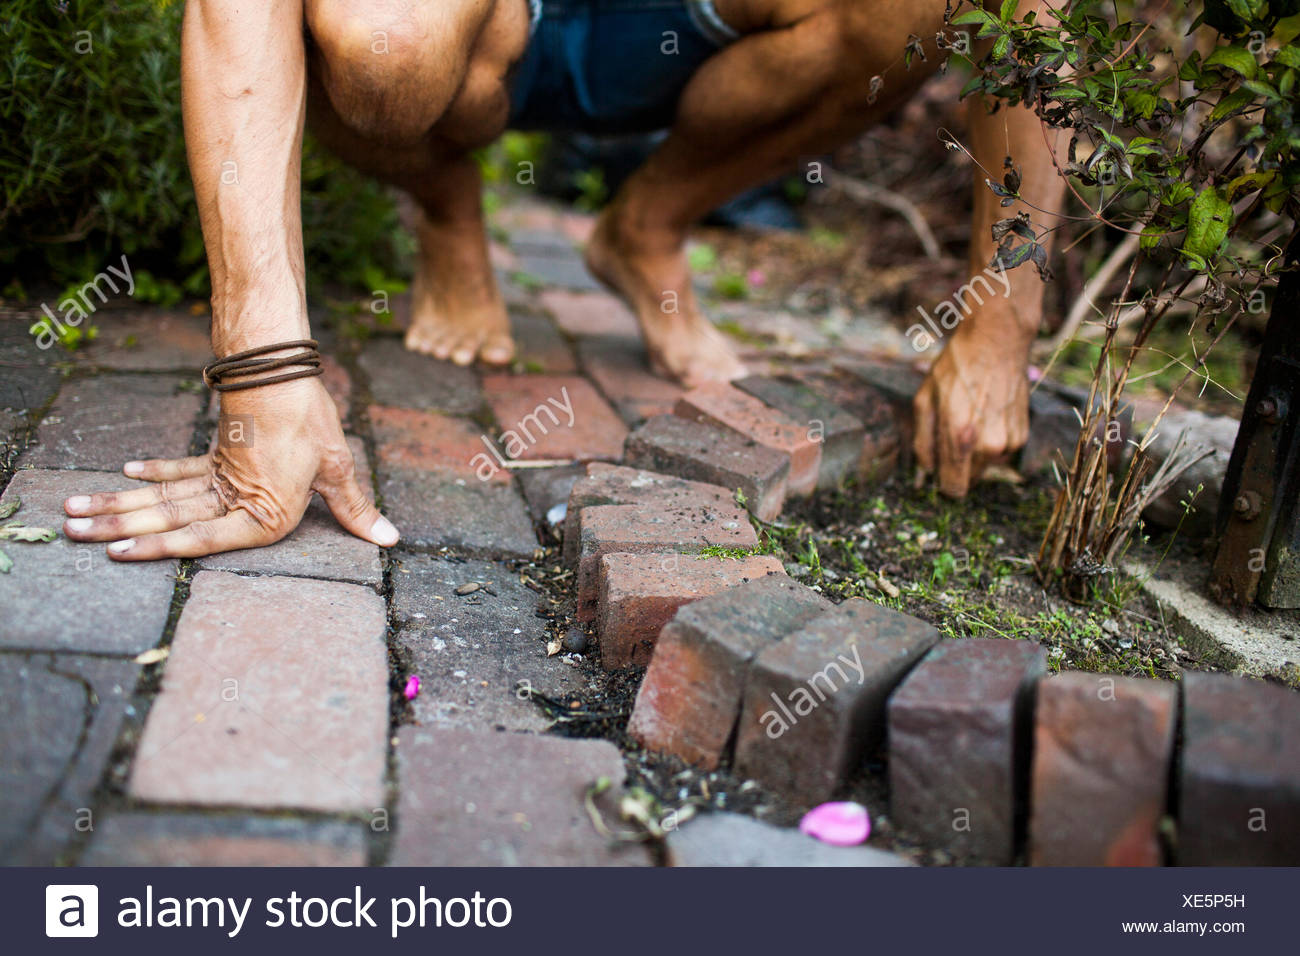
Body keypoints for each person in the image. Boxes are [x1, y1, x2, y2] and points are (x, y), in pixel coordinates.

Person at [62, 0, 1064, 560]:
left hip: (684, 28)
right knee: (379, 45)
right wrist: (265, 372)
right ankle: (449, 211)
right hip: (477, 24)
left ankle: (649, 227)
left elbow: (1022, 12)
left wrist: (1000, 317)